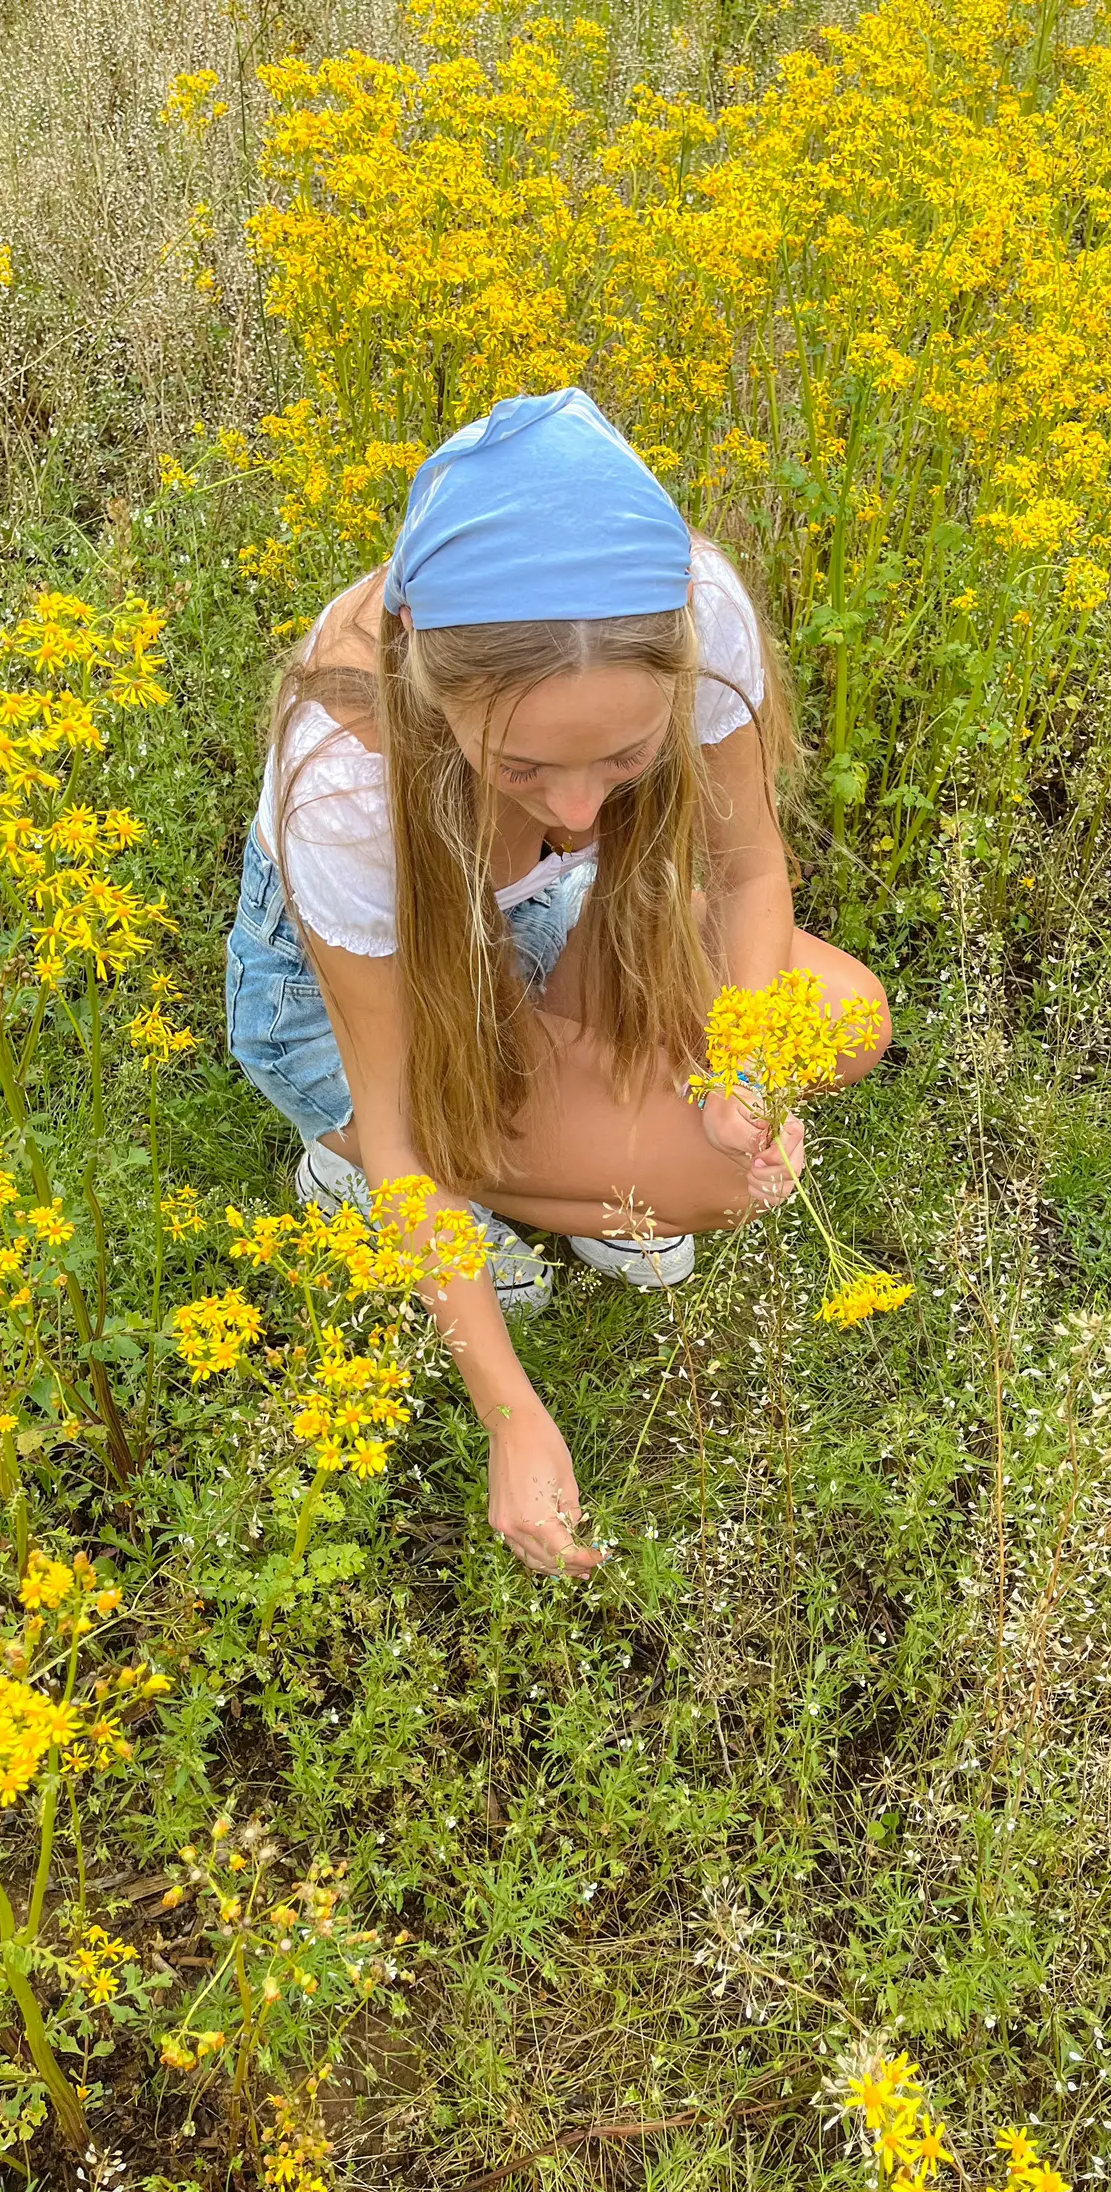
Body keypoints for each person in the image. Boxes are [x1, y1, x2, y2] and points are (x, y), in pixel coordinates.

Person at [225, 387, 890, 1578]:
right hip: (361, 1022)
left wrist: (747, 1070)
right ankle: (356, 1183)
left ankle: (578, 1131)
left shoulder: (688, 602)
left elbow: (745, 874)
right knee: (709, 1185)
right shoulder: (344, 773)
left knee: (840, 1022)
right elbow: (396, 1116)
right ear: (438, 696)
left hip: (544, 932)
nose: (583, 810)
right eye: (524, 767)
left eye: (626, 759)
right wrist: (511, 1415)